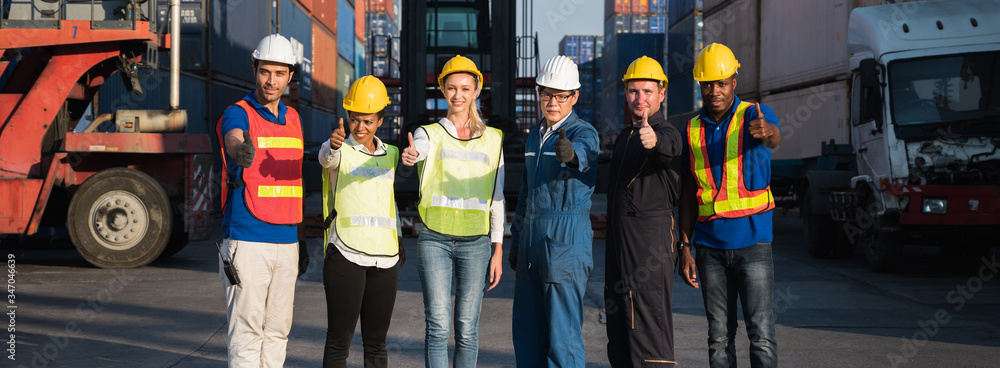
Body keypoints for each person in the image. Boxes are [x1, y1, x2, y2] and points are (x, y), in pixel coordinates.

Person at [677, 42, 781, 368]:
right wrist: (684, 247)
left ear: (734, 82)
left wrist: (768, 132)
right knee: (719, 337)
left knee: (761, 334)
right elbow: (688, 193)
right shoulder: (692, 130)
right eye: (707, 84)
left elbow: (774, 137)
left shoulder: (754, 114)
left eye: (721, 83)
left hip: (753, 244)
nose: (714, 91)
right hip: (709, 248)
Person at [400, 55, 505, 368]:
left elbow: (497, 197)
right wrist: (412, 154)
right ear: (443, 90)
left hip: (476, 243)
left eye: (465, 88)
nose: (458, 95)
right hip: (435, 239)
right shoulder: (428, 133)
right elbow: (419, 149)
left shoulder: (493, 139)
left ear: (476, 91)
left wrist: (497, 248)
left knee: (467, 330)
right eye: (451, 88)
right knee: (438, 326)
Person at [215, 33, 303, 368]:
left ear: (290, 76)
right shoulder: (238, 112)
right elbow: (232, 136)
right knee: (247, 332)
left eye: (279, 73)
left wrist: (302, 239)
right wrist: (240, 149)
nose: (271, 80)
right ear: (254, 70)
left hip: (287, 241)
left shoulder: (294, 118)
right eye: (265, 71)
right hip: (247, 239)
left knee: (278, 331)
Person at [510, 55, 600, 367]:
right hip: (531, 242)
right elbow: (525, 192)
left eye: (561, 96)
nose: (552, 103)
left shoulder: (583, 132)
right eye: (547, 94)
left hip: (565, 241)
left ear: (574, 96)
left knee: (562, 338)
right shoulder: (534, 136)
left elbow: (585, 153)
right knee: (527, 331)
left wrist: (571, 154)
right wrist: (517, 239)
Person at [318, 75, 403, 368]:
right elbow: (326, 159)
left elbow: (389, 200)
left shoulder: (391, 154)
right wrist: (333, 145)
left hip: (385, 259)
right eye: (355, 120)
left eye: (368, 121)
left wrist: (398, 237)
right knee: (338, 342)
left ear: (380, 120)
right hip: (346, 255)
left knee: (377, 344)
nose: (360, 127)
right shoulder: (338, 149)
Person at [604, 56, 683, 367]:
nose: (640, 98)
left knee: (648, 326)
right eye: (634, 91)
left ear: (661, 94)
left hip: (649, 247)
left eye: (648, 91)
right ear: (626, 93)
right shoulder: (626, 136)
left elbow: (669, 147)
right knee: (620, 326)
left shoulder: (666, 131)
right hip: (619, 244)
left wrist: (654, 141)